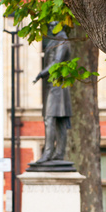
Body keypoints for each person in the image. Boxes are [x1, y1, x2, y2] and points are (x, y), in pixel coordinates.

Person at [32, 24, 73, 165]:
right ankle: (58, 154)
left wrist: (40, 74)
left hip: (58, 87)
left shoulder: (62, 41)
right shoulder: (56, 40)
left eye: (53, 24)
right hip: (54, 87)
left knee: (50, 120)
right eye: (49, 24)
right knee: (59, 121)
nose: (50, 26)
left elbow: (56, 62)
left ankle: (48, 153)